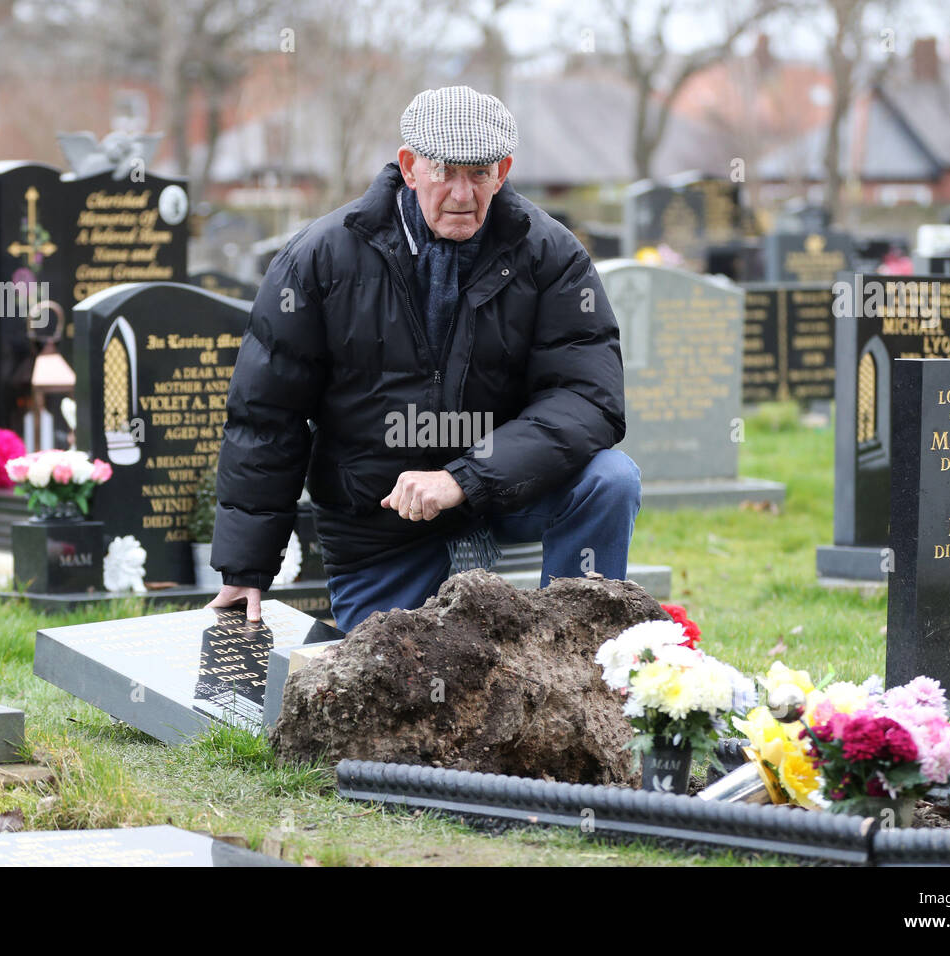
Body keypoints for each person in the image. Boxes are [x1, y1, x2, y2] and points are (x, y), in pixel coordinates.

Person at [208, 85, 640, 631]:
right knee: (388, 694)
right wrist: (246, 567)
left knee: (610, 479)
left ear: (504, 170)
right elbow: (267, 416)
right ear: (409, 167)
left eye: (480, 173)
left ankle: (579, 650)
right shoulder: (320, 259)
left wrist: (465, 477)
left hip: (505, 494)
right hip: (381, 525)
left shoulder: (551, 256)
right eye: (445, 171)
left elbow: (588, 399)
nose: (463, 193)